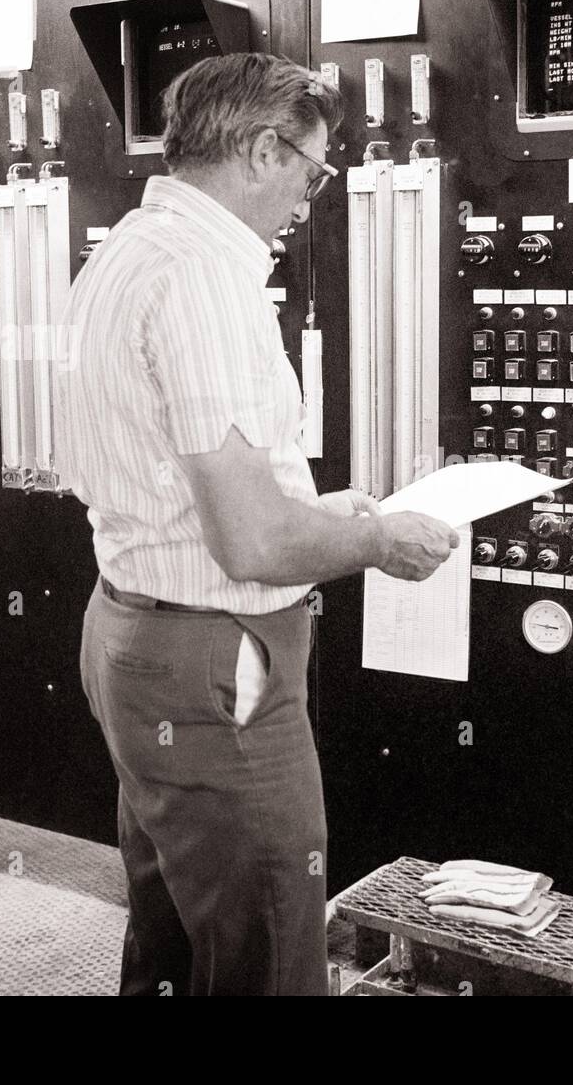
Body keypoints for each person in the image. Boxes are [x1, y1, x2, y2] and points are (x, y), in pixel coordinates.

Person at [54, 52, 459, 996]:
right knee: (271, 944)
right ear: (263, 149)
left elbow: (185, 488)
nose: (310, 199)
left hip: (134, 635)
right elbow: (249, 543)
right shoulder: (204, 277)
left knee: (176, 932)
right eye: (313, 173)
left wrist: (319, 508)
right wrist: (375, 539)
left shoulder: (128, 250)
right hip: (217, 667)